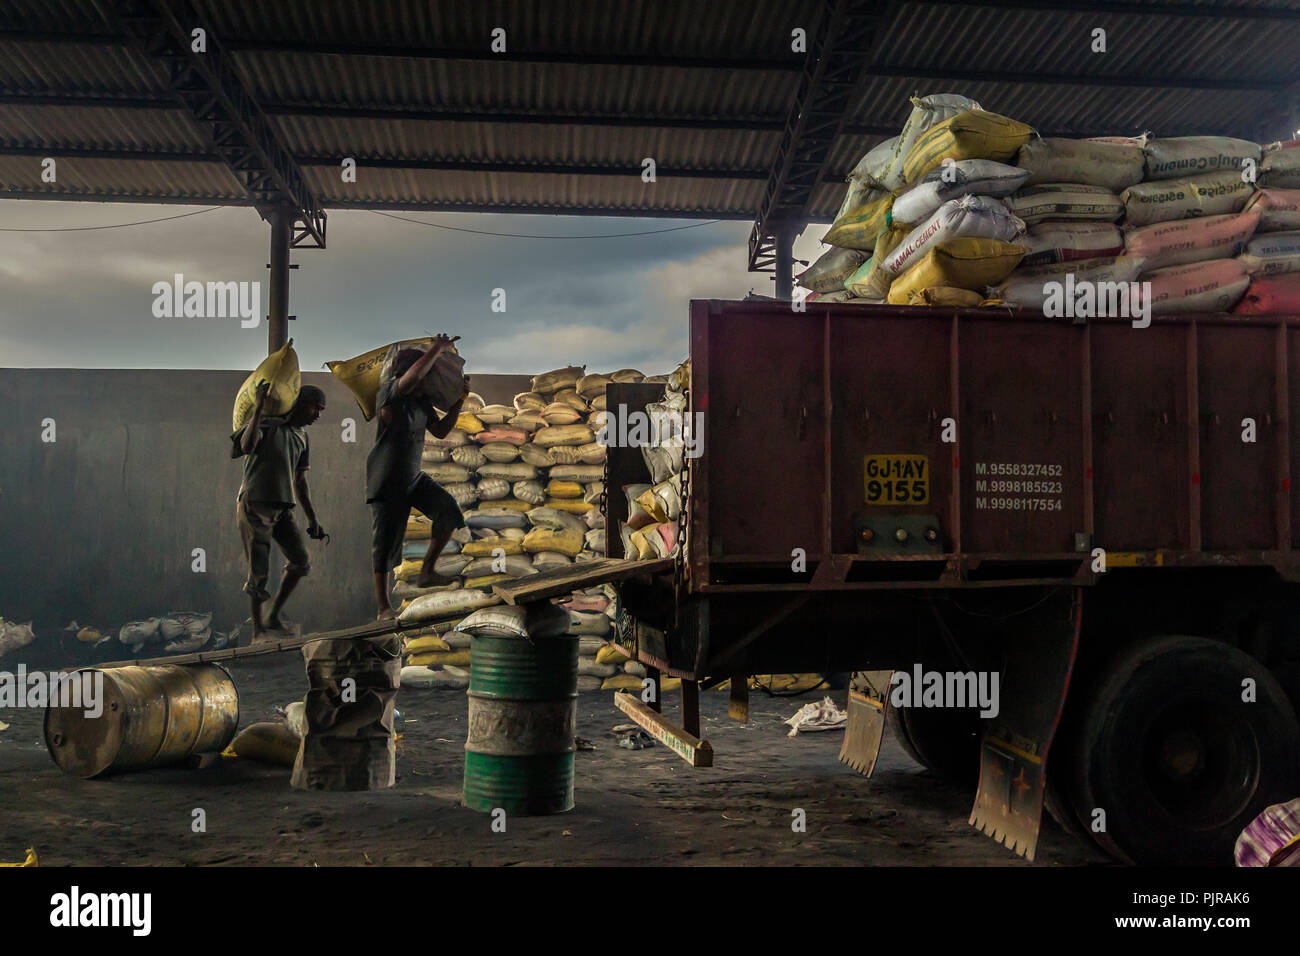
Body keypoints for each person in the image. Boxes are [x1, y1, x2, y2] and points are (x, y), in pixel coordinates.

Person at [367, 335, 470, 619]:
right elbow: (413, 378)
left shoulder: (421, 404)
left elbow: (440, 432)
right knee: (385, 543)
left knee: (448, 511)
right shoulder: (389, 393)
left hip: (413, 478)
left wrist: (459, 402)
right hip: (386, 479)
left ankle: (427, 571)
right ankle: (383, 607)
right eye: (425, 375)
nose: (427, 382)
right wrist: (437, 348)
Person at [231, 381, 327, 641]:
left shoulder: (302, 437)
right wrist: (260, 406)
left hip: (283, 507)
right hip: (255, 505)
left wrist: (312, 518)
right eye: (314, 409)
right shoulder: (267, 425)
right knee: (258, 572)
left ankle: (272, 615)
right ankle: (258, 631)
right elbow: (247, 446)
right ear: (300, 404)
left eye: (321, 410)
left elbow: (300, 482)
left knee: (300, 561)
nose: (317, 415)